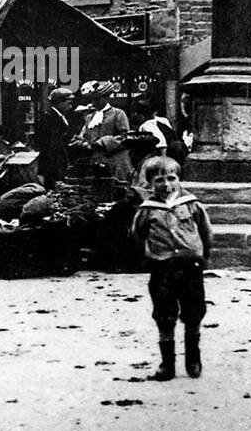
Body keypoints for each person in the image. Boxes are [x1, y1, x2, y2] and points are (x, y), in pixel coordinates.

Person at [131, 156, 212, 381]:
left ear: (179, 180)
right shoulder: (147, 210)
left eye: (171, 179)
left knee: (194, 312)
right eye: (159, 180)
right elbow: (137, 235)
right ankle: (168, 364)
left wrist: (203, 257)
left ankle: (193, 359)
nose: (166, 185)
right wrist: (148, 257)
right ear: (150, 183)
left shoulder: (192, 205)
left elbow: (206, 233)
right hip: (162, 267)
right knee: (164, 314)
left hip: (190, 266)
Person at [80, 80, 132, 183]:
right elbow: (84, 135)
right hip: (96, 160)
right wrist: (83, 143)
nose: (94, 102)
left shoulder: (118, 113)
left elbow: (125, 136)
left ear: (106, 97)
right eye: (92, 100)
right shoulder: (89, 117)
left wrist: (104, 142)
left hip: (116, 160)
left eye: (97, 99)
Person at [36, 86, 77, 188]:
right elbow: (50, 146)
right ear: (59, 102)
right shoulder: (49, 118)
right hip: (53, 167)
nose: (70, 107)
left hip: (58, 165)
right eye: (69, 103)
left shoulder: (60, 117)